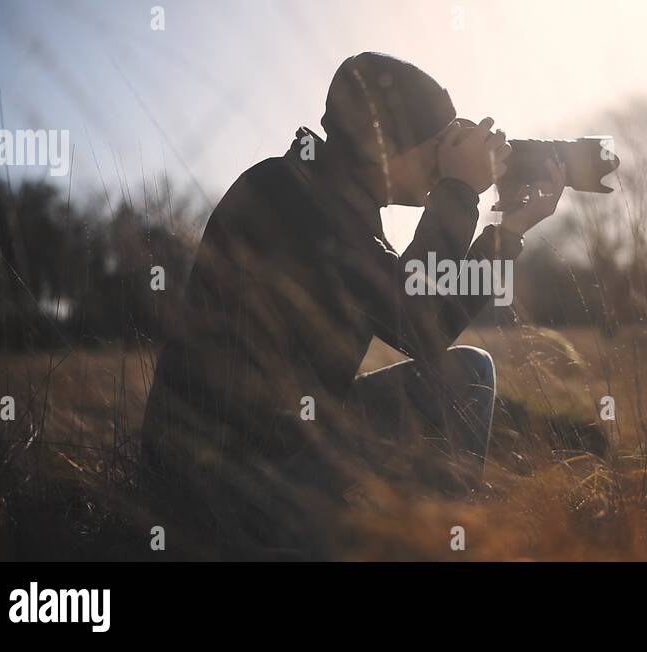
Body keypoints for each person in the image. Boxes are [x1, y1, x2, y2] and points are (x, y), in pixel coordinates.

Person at [139, 52, 566, 558]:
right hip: (222, 485)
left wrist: (508, 232)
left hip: (280, 449)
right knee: (462, 378)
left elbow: (427, 328)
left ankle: (431, 537)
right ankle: (425, 544)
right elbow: (419, 317)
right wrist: (457, 189)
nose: (442, 161)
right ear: (386, 144)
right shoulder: (286, 191)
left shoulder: (337, 202)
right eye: (437, 145)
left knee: (466, 371)